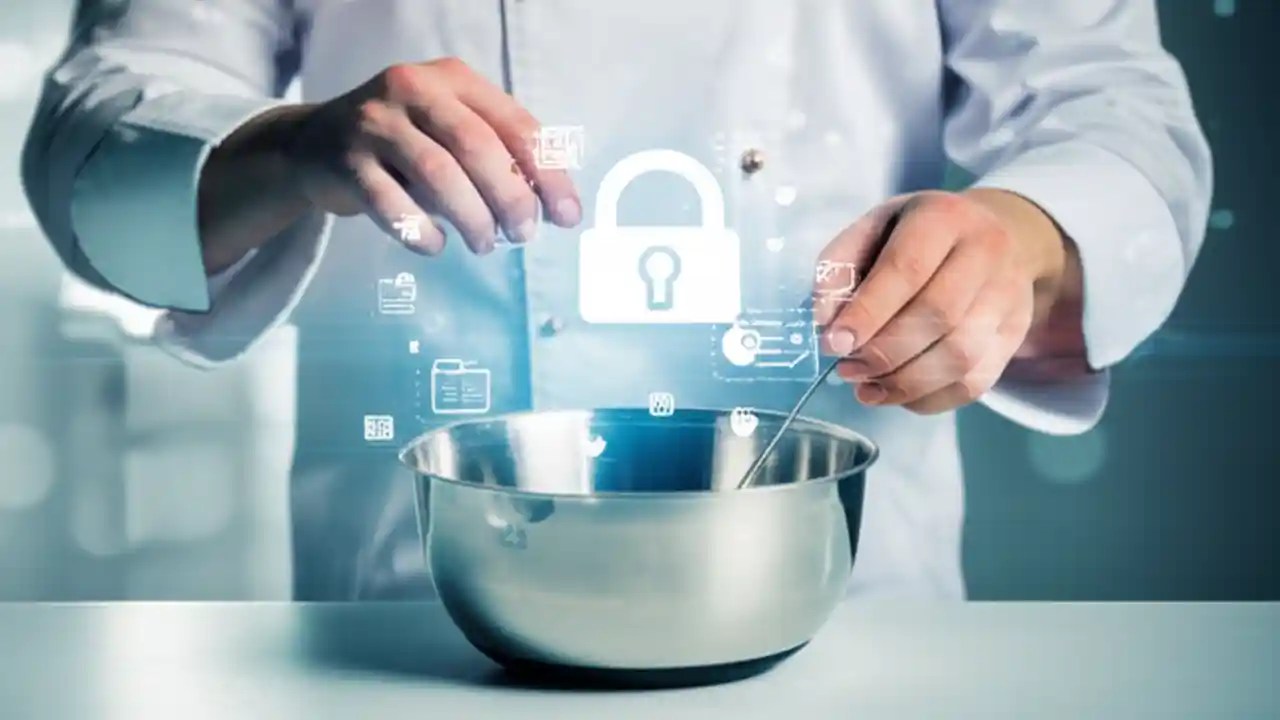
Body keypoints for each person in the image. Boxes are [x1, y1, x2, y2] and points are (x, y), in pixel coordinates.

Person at [22, 0, 1211, 600]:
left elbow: (1108, 111)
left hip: (839, 612)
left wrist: (1014, 239)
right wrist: (290, 147)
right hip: (406, 610)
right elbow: (105, 121)